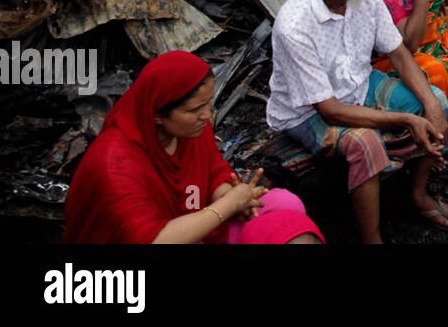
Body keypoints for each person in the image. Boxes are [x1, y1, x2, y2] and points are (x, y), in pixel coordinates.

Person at [267, 0, 448, 242]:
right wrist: (407, 119)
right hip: (307, 114)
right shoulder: (295, 25)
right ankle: (371, 238)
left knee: (436, 100)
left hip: (359, 85)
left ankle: (418, 194)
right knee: (365, 142)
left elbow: (398, 52)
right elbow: (330, 111)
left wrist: (427, 105)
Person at [63, 51, 323, 244]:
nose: (207, 115)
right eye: (196, 109)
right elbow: (152, 240)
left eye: (208, 104)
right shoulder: (114, 163)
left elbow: (213, 175)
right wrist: (227, 205)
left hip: (196, 223)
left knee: (283, 202)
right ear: (157, 115)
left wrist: (233, 195)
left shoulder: (191, 129)